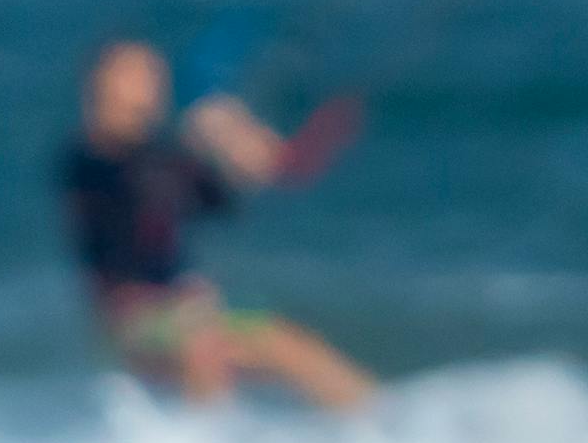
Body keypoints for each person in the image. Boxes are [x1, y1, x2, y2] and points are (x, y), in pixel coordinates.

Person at [59, 33, 374, 409]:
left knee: (291, 344)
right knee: (204, 344)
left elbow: (220, 202)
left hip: (188, 314)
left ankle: (387, 432)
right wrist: (208, 134)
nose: (151, 87)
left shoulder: (164, 157)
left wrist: (243, 155)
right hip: (134, 324)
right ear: (100, 81)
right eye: (136, 75)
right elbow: (128, 179)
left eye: (155, 76)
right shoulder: (88, 156)